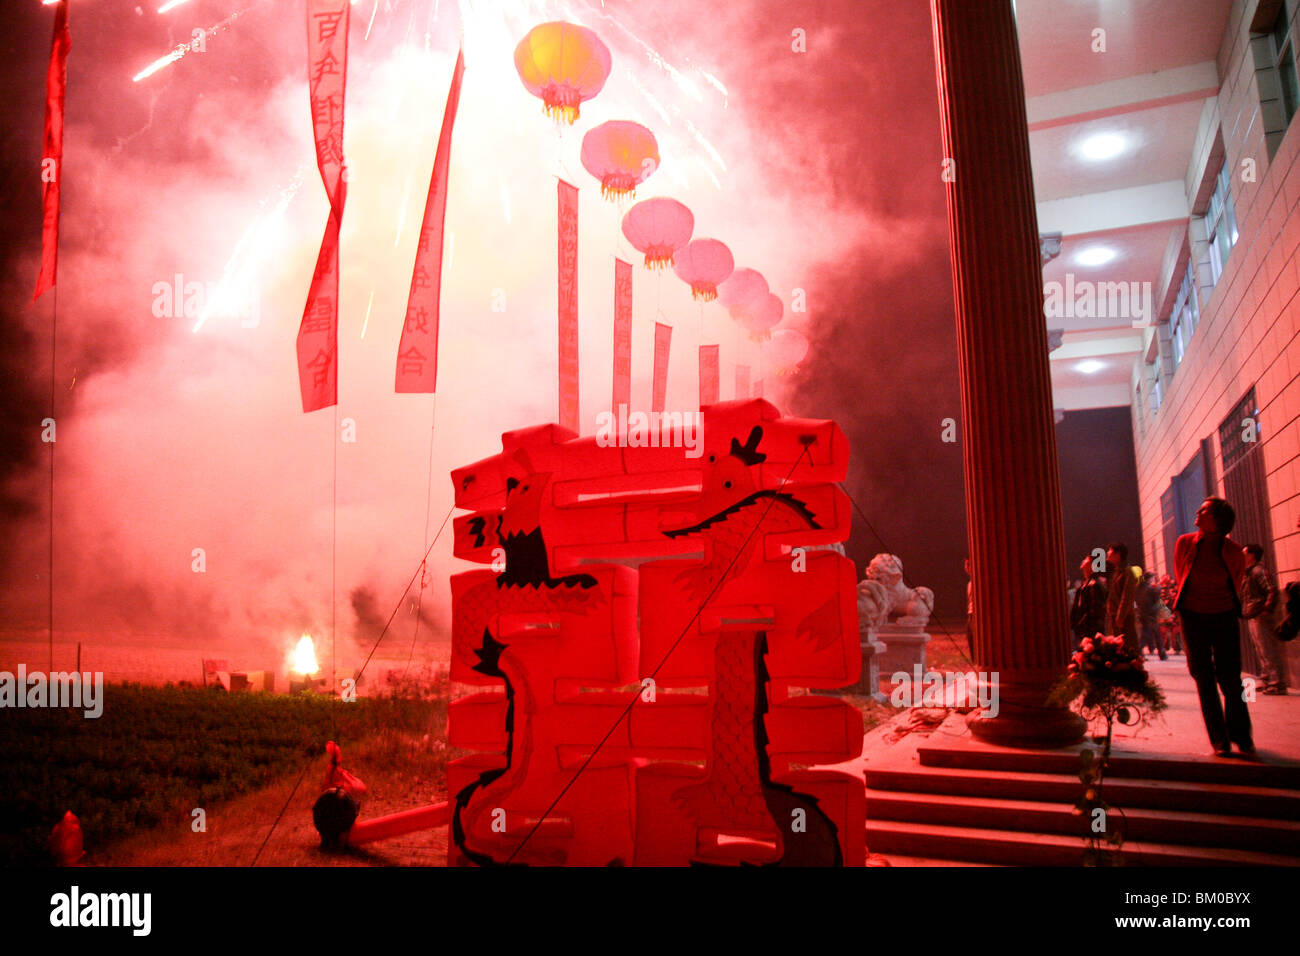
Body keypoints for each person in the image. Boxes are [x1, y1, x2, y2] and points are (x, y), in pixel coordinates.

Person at [1171, 497, 1253, 758]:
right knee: (1203, 677)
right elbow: (1180, 574)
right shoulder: (1184, 543)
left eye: (1204, 510)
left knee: (1231, 680)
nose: (1198, 511)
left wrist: (1218, 603)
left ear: (1218, 520)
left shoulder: (1233, 551)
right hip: (1192, 617)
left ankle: (1241, 735)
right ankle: (1219, 740)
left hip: (1224, 616)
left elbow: (1237, 581)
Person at [1242, 544, 1288, 695]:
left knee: (1266, 649)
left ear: (1252, 555)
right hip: (1254, 614)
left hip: (1259, 615)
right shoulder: (1249, 572)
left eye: (1244, 553)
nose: (1242, 555)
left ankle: (1276, 683)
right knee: (1261, 649)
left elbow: (1271, 590)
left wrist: (1265, 610)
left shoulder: (1257, 571)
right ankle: (1268, 679)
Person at [1105, 543, 1140, 654]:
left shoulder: (1128, 572)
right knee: (1118, 650)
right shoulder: (1116, 572)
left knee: (1128, 648)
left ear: (1118, 554)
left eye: (1110, 550)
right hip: (1115, 617)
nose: (1107, 553)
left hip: (1124, 619)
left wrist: (1120, 617)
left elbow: (1127, 597)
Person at [1070, 555, 1108, 642]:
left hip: (1090, 629)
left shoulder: (1095, 585)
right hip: (1083, 628)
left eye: (1086, 560)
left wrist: (1083, 622)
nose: (1083, 561)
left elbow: (1096, 609)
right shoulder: (1084, 584)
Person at [1137, 571, 1166, 661]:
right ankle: (1162, 654)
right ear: (1149, 579)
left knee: (1145, 634)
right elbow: (1157, 602)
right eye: (1153, 578)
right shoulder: (1151, 589)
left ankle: (1139, 652)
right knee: (1156, 635)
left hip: (1142, 614)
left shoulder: (1138, 589)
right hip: (1151, 615)